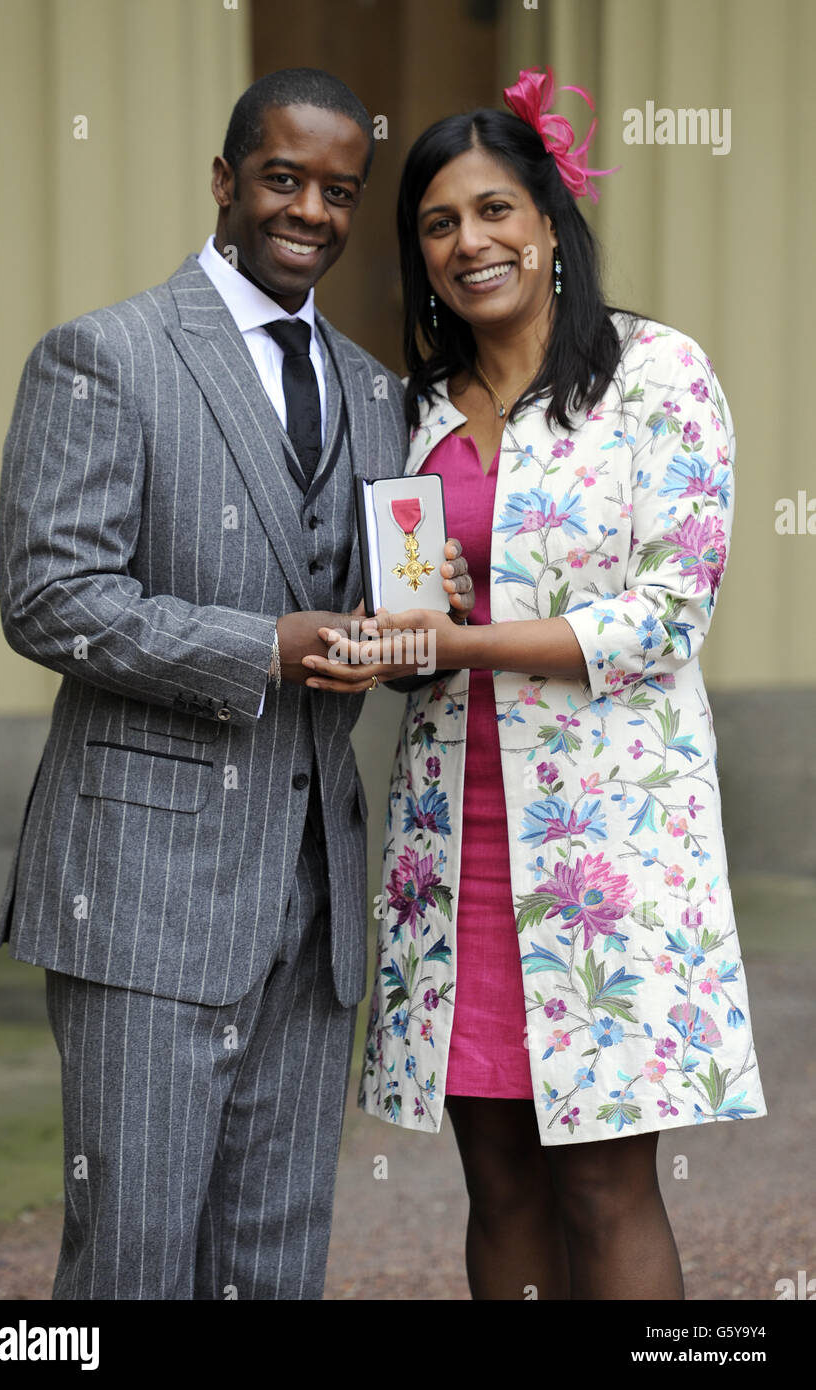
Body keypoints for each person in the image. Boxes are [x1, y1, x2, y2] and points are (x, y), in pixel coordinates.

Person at [0, 67, 473, 1301]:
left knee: (273, 1260)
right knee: (135, 1260)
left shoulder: (379, 394)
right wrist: (264, 647)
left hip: (312, 901)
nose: (309, 209)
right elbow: (49, 595)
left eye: (338, 190)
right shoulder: (105, 356)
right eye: (281, 179)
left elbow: (377, 590)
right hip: (143, 896)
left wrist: (420, 620)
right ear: (224, 181)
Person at [310, 67, 767, 1300]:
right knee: (500, 1183)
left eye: (497, 209)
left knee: (603, 1185)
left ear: (552, 222)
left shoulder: (654, 376)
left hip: (606, 839)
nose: (472, 242)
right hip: (452, 844)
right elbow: (415, 631)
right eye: (441, 222)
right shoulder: (416, 417)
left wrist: (459, 644)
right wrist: (398, 636)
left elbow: (669, 614)